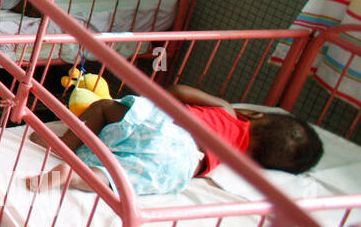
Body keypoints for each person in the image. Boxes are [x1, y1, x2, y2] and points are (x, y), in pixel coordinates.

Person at [26, 83, 323, 196]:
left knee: (103, 108)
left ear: (257, 116)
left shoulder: (228, 110)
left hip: (164, 122)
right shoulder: (236, 160)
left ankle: (63, 142)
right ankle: (75, 176)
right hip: (186, 156)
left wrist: (157, 107)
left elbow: (181, 91)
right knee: (131, 177)